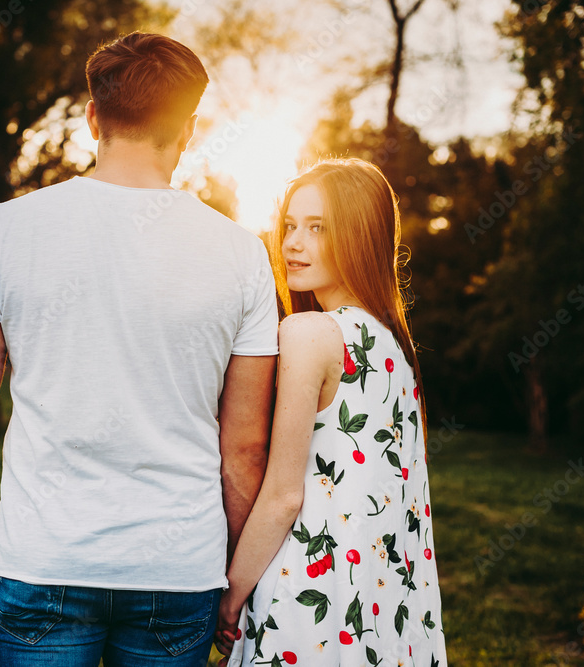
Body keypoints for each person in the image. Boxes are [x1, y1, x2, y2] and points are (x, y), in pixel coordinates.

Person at [0, 32, 280, 666]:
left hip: (43, 560)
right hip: (178, 572)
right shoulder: (242, 254)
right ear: (189, 128)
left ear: (93, 116)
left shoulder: (7, 229)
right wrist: (230, 568)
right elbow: (245, 447)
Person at [215, 158, 447, 666]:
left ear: (360, 236)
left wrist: (230, 597)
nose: (293, 243)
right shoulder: (395, 346)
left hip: (308, 601)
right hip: (383, 605)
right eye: (290, 226)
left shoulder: (309, 334)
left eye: (317, 228)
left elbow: (282, 495)